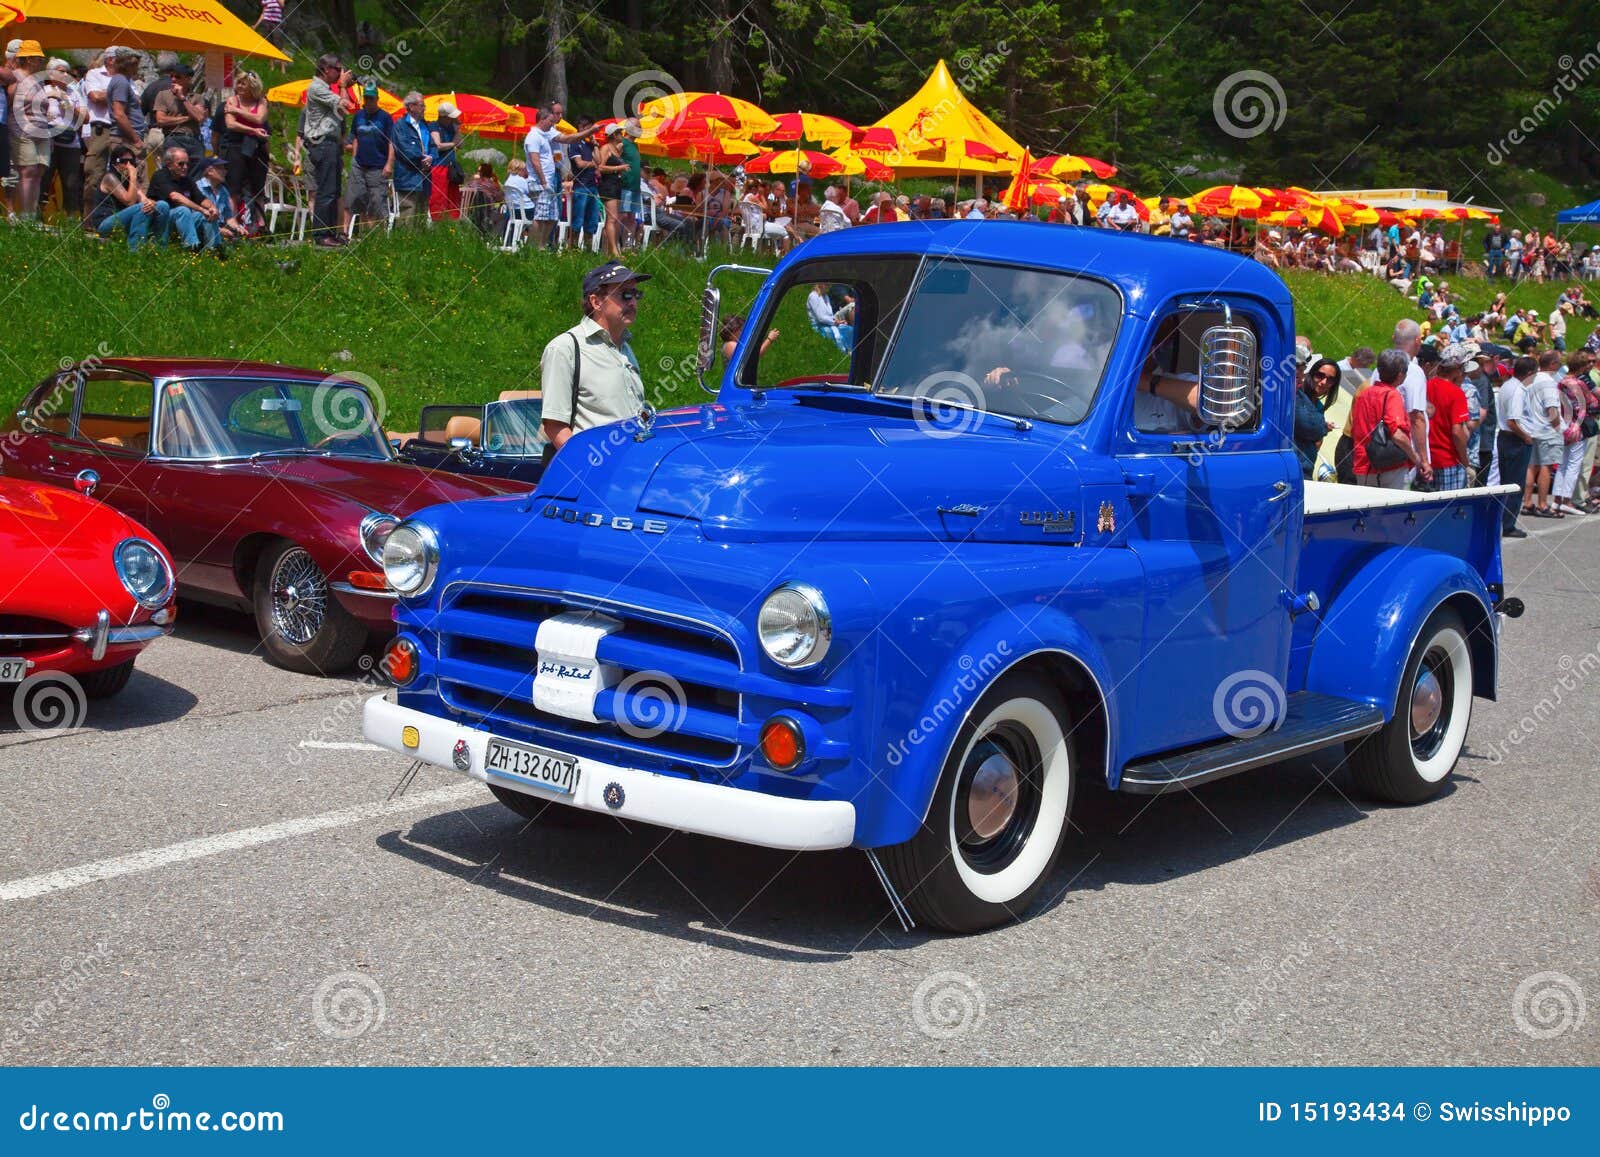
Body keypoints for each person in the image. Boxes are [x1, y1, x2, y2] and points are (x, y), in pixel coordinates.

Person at [539, 262, 651, 454]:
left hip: (629, 464)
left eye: (636, 294)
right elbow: (554, 426)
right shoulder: (564, 348)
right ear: (596, 302)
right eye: (625, 294)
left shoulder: (625, 349)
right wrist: (586, 465)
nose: (633, 302)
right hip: (594, 467)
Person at [1350, 349, 1425, 488]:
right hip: (1388, 467)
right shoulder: (1392, 395)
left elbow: (1355, 427)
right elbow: (1396, 434)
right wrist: (1415, 457)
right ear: (1400, 374)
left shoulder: (1364, 393)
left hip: (1363, 464)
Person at [304, 55, 357, 245]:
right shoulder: (316, 87)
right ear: (326, 69)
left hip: (331, 144)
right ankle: (321, 235)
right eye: (338, 69)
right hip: (322, 143)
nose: (340, 73)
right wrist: (342, 86)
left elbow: (342, 110)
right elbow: (344, 105)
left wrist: (344, 87)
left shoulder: (325, 89)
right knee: (325, 191)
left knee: (333, 191)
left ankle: (331, 232)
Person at [87, 143, 169, 248]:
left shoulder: (129, 180)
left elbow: (143, 199)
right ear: (115, 163)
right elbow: (129, 202)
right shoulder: (110, 177)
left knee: (162, 205)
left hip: (122, 219)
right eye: (124, 161)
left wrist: (152, 203)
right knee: (141, 208)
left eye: (132, 162)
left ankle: (161, 247)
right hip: (105, 222)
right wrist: (133, 177)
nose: (129, 165)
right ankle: (136, 250)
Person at [147, 144, 220, 250]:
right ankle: (191, 247)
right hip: (161, 222)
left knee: (207, 215)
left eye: (187, 164)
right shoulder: (160, 175)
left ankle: (214, 249)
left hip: (182, 220)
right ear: (169, 164)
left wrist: (212, 208)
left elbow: (201, 199)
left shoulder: (187, 179)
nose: (185, 167)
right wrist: (201, 209)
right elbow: (175, 197)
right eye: (181, 164)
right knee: (183, 210)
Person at [1521, 350, 1566, 518]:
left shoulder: (1532, 380)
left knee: (1531, 466)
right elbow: (1551, 409)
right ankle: (1542, 504)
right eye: (1559, 362)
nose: (1560, 365)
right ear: (1552, 364)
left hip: (1532, 428)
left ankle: (1527, 502)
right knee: (1546, 467)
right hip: (1547, 430)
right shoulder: (1548, 382)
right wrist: (1558, 428)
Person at [223, 70, 270, 230]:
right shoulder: (232, 100)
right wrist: (253, 130)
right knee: (234, 187)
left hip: (257, 147)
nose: (240, 86)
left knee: (258, 187)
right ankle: (233, 223)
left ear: (253, 87)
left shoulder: (261, 102)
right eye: (239, 83)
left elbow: (259, 118)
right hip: (237, 145)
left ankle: (260, 224)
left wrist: (237, 111)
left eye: (244, 83)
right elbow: (230, 124)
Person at [1496, 357, 1537, 536]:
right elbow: (1512, 422)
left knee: (1506, 482)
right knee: (1514, 485)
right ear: (1529, 373)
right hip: (1515, 439)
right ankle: (1508, 525)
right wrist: (1526, 437)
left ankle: (1502, 521)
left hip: (1506, 438)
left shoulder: (1507, 385)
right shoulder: (1518, 390)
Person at [345, 83, 393, 231]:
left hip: (378, 165)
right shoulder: (359, 115)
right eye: (366, 98)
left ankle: (379, 233)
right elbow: (355, 137)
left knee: (377, 200)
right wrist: (354, 157)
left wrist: (389, 164)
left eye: (371, 98)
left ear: (377, 99)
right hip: (359, 163)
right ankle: (345, 232)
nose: (369, 101)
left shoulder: (385, 118)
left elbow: (392, 142)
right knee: (354, 197)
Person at [1391, 319, 1432, 487]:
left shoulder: (1380, 368)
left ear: (1394, 338)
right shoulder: (1413, 371)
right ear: (1417, 340)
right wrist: (1424, 459)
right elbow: (1416, 418)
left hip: (1383, 450)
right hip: (1406, 454)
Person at [1425, 347, 1472, 491]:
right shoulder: (1456, 393)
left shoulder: (1426, 385)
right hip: (1449, 460)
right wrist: (1465, 461)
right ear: (1457, 370)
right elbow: (1457, 432)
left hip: (1427, 459)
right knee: (1452, 504)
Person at [390, 91, 433, 223]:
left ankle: (420, 236)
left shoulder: (424, 125)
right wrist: (422, 159)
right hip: (407, 176)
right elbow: (404, 149)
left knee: (421, 213)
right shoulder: (400, 125)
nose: (424, 108)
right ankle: (405, 236)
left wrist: (431, 157)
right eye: (422, 105)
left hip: (425, 176)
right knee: (408, 212)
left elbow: (433, 146)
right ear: (411, 106)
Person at [522, 104, 560, 247]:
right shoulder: (533, 136)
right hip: (539, 182)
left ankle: (541, 245)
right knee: (540, 216)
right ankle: (532, 248)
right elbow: (535, 160)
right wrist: (544, 181)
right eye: (550, 121)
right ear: (542, 119)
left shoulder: (544, 136)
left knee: (552, 217)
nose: (552, 124)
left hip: (548, 182)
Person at [150, 61, 205, 160]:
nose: (173, 79)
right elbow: (161, 120)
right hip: (174, 138)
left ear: (188, 79)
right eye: (171, 76)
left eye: (178, 77)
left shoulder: (197, 97)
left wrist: (182, 98)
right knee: (175, 167)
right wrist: (188, 118)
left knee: (198, 167)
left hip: (194, 139)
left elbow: (199, 117)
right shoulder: (163, 95)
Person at [1295, 357, 1339, 478]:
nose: (1324, 382)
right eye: (1320, 375)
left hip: (1305, 467)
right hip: (1293, 467)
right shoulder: (1298, 396)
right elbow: (1309, 428)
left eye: (1330, 379)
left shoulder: (1319, 406)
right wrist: (1322, 428)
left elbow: (1317, 440)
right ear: (1311, 374)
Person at [594, 121, 628, 256]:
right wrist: (619, 168)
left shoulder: (616, 150)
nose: (622, 135)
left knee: (615, 218)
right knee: (612, 218)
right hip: (608, 185)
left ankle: (609, 250)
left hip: (616, 184)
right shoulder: (606, 148)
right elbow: (600, 167)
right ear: (614, 134)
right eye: (620, 132)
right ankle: (614, 251)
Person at [194, 154, 246, 242]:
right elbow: (198, 218)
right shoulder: (198, 188)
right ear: (210, 171)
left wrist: (238, 228)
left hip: (219, 228)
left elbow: (228, 217)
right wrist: (219, 230)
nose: (225, 171)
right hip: (203, 228)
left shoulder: (223, 190)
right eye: (221, 168)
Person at [807, 283, 853, 352]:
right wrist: (835, 322)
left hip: (829, 323)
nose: (829, 285)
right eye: (826, 284)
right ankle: (843, 351)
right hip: (819, 326)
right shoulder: (813, 296)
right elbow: (820, 318)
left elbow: (830, 315)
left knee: (849, 329)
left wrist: (839, 321)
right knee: (834, 333)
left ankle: (850, 350)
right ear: (820, 284)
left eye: (829, 284)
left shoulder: (826, 296)